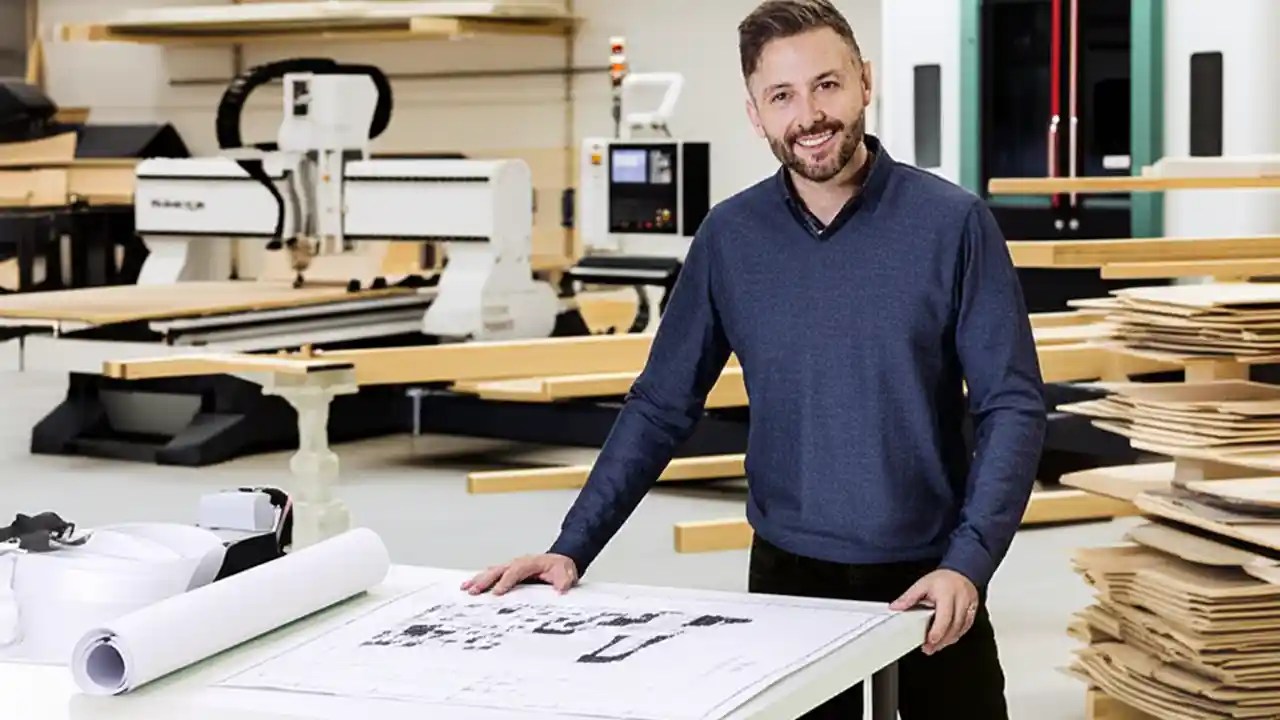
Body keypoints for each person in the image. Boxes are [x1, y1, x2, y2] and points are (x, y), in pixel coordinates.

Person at [463, 1, 1047, 717]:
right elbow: (660, 406)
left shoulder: (952, 224)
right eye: (783, 96)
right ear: (756, 114)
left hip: (932, 577)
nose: (810, 114)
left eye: (827, 85)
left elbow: (1010, 406)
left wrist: (969, 562)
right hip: (789, 581)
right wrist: (572, 546)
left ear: (866, 81)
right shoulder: (731, 239)